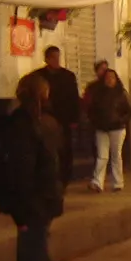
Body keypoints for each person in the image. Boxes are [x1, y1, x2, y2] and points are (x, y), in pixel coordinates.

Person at [0, 73, 63, 261]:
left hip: (33, 203)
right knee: (27, 259)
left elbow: (20, 171)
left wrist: (21, 208)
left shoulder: (28, 126)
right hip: (41, 200)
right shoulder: (44, 123)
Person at [34, 46, 80, 186]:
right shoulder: (39, 76)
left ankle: (64, 177)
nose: (56, 60)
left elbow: (74, 98)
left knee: (64, 149)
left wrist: (74, 118)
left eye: (58, 57)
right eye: (53, 57)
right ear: (47, 59)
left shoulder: (67, 76)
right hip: (46, 118)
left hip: (63, 119)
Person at [88, 68, 131, 193]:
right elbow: (92, 111)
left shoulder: (121, 94)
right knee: (102, 156)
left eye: (112, 77)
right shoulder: (98, 94)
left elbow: (128, 112)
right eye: (107, 78)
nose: (109, 80)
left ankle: (118, 182)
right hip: (102, 129)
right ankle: (97, 182)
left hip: (117, 129)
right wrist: (96, 122)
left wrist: (120, 120)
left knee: (116, 156)